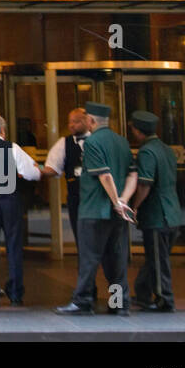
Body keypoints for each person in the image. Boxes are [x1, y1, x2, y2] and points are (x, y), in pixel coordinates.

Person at [55, 102, 136, 316]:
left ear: (91, 121)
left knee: (89, 259)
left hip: (93, 210)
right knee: (116, 261)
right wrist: (123, 200)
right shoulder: (122, 142)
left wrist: (114, 200)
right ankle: (119, 303)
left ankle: (82, 302)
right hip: (116, 215)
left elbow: (104, 175)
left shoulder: (92, 143)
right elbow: (132, 174)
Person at [0, 115, 41, 306]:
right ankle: (16, 292)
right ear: (3, 130)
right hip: (10, 201)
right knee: (13, 246)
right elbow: (32, 173)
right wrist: (36, 169)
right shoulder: (13, 148)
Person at [127, 110, 184, 313]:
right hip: (173, 213)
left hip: (157, 215)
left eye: (133, 128)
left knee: (159, 261)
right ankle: (142, 292)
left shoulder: (146, 152)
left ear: (138, 130)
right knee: (156, 258)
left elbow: (145, 184)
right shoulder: (167, 150)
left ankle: (164, 299)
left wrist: (134, 206)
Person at [40, 107, 90, 243]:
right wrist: (37, 170)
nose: (71, 125)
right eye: (70, 122)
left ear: (87, 121)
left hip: (96, 197)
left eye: (76, 121)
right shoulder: (64, 143)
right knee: (80, 235)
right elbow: (53, 168)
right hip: (76, 196)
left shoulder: (98, 141)